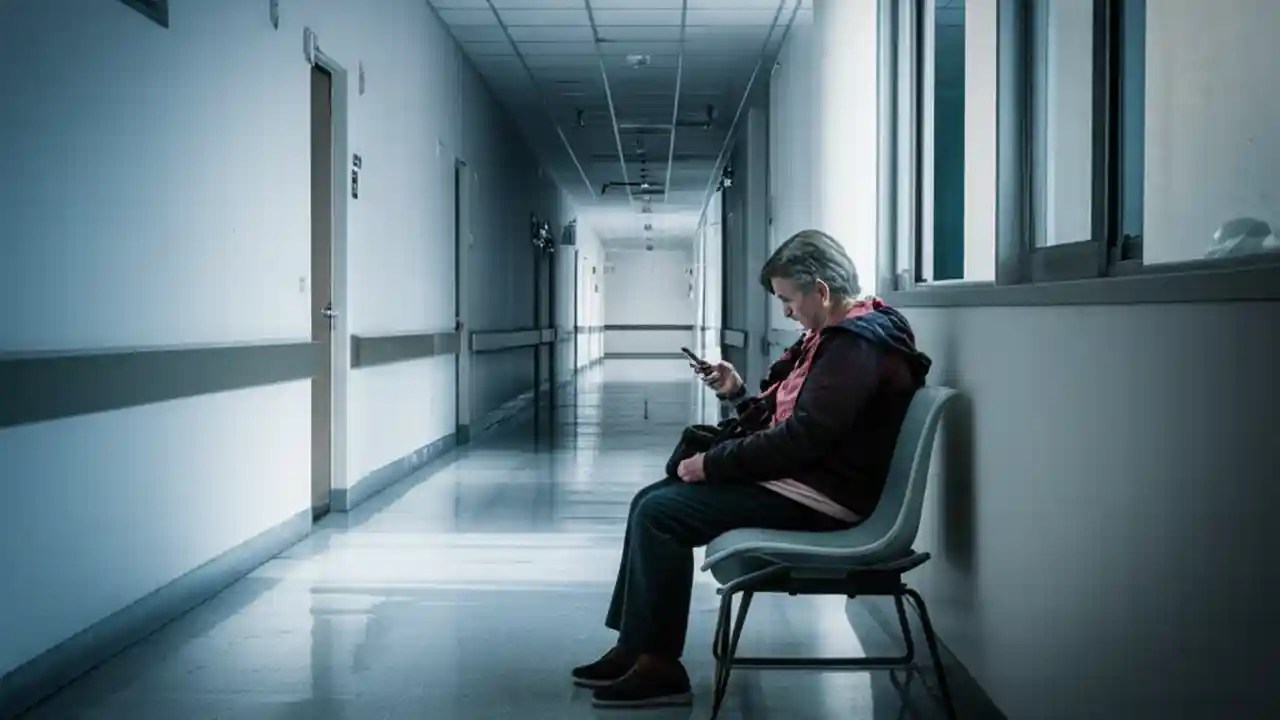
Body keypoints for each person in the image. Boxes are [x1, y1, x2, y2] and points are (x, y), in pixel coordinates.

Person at [572, 229, 932, 709]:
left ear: (820, 291)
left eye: (788, 299)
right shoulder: (835, 339)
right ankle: (635, 647)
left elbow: (802, 439)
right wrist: (737, 392)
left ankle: (659, 667)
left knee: (661, 514)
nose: (785, 312)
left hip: (826, 500)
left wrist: (714, 463)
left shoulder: (854, 348)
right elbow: (795, 422)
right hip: (810, 481)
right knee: (649, 502)